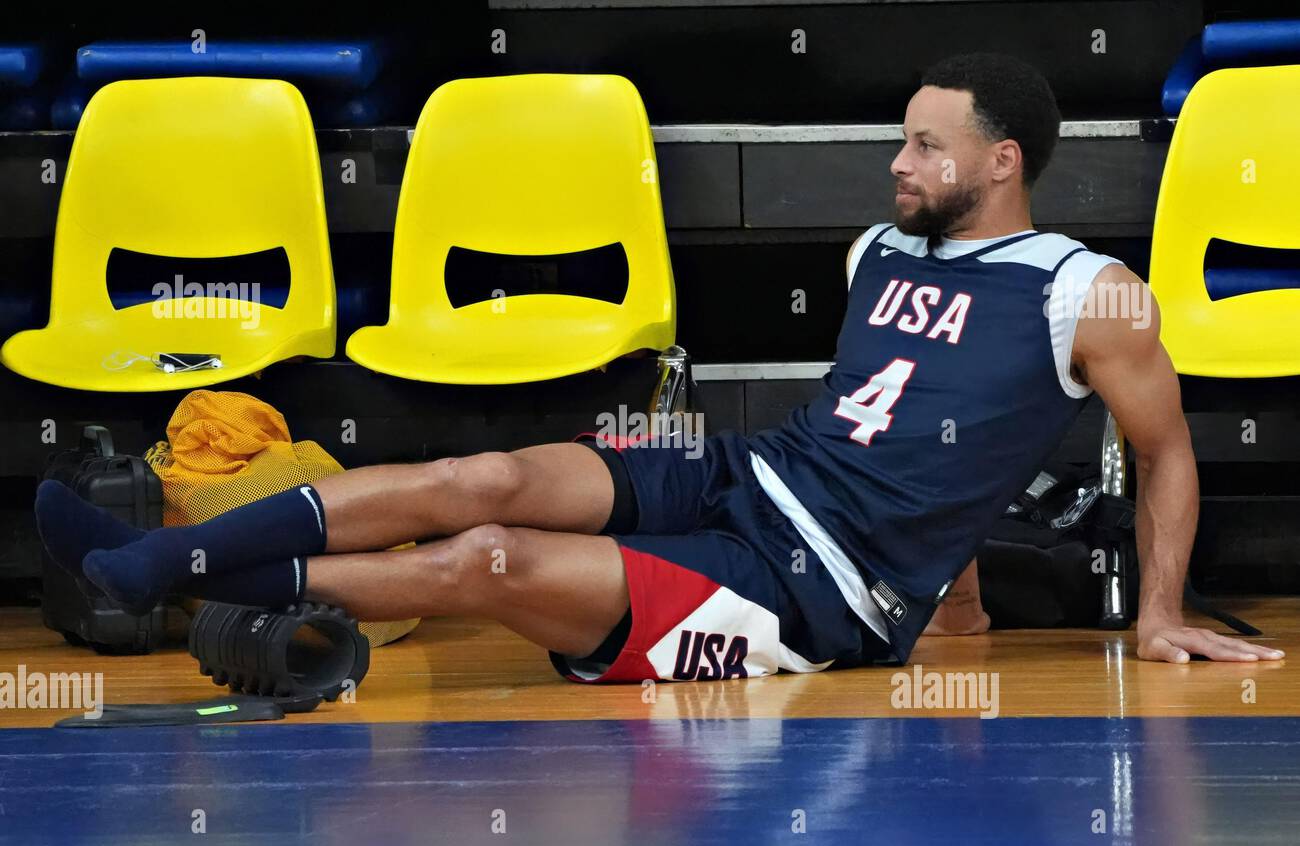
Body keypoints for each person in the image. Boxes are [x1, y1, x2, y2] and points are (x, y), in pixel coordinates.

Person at [37, 52, 1283, 682]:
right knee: (479, 474)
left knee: (489, 563)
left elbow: (1164, 451)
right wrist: (959, 588)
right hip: (749, 467)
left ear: (1000, 163)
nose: (897, 161)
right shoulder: (873, 252)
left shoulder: (1090, 292)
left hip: (821, 588)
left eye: (922, 144)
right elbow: (932, 433)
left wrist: (1160, 611)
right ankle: (149, 558)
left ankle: (178, 585)